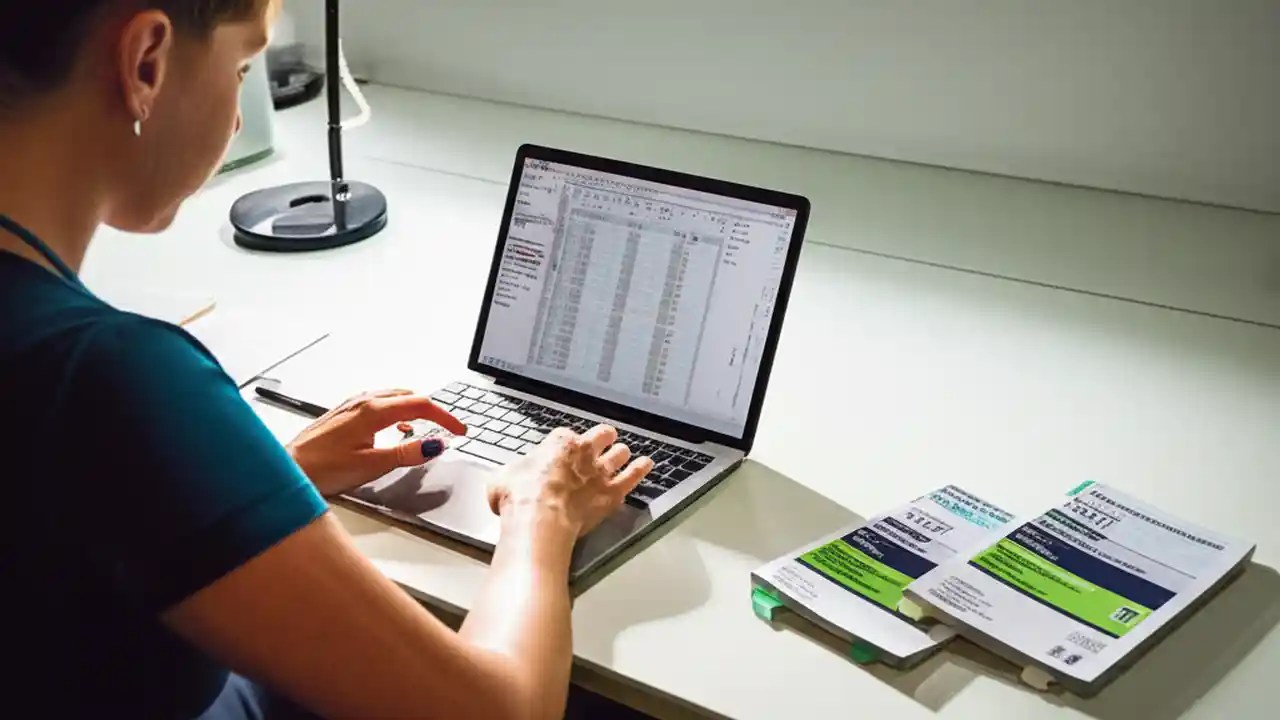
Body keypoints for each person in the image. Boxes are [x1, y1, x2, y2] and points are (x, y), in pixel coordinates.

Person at [0, 2, 654, 718]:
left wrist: (261, 479)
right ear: (146, 61)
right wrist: (542, 511)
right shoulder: (108, 374)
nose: (241, 117)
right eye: (242, 66)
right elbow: (500, 712)